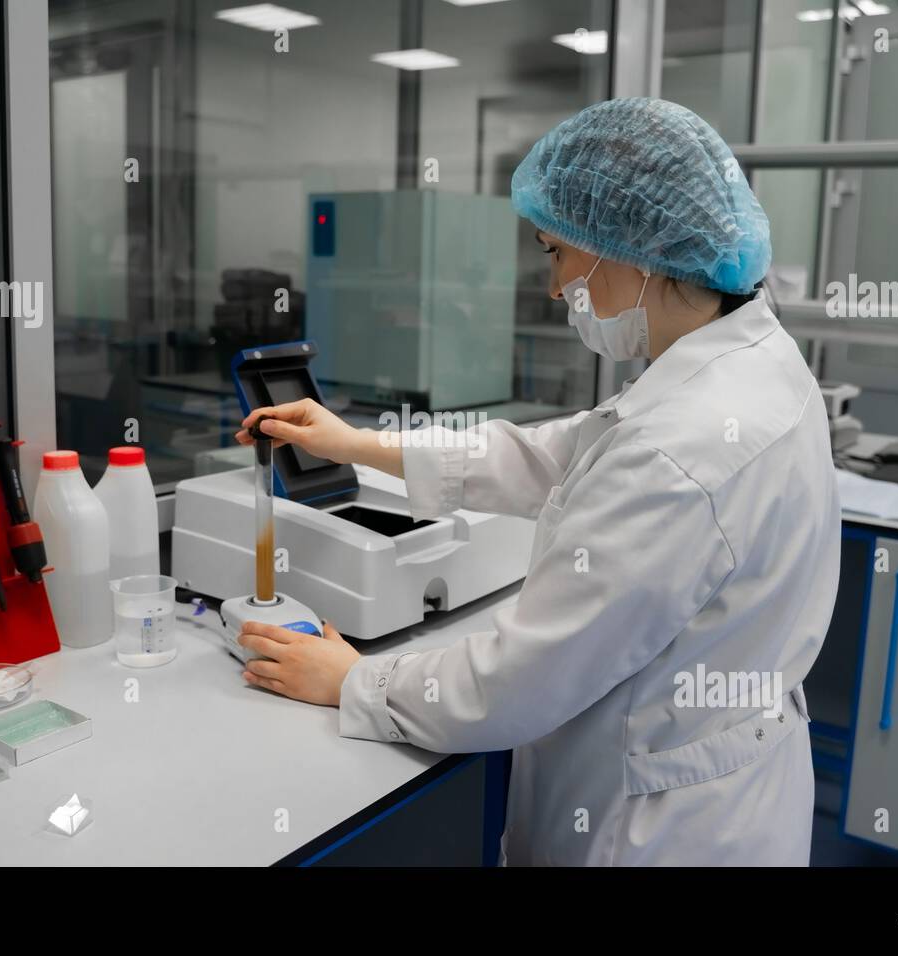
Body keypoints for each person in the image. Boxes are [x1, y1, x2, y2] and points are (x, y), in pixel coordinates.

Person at [233, 98, 841, 866]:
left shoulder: (682, 448)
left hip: (655, 826)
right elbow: (560, 456)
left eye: (555, 253)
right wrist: (359, 443)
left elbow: (521, 682)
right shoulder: (751, 361)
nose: (555, 288)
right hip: (730, 780)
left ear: (635, 251)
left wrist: (357, 681)